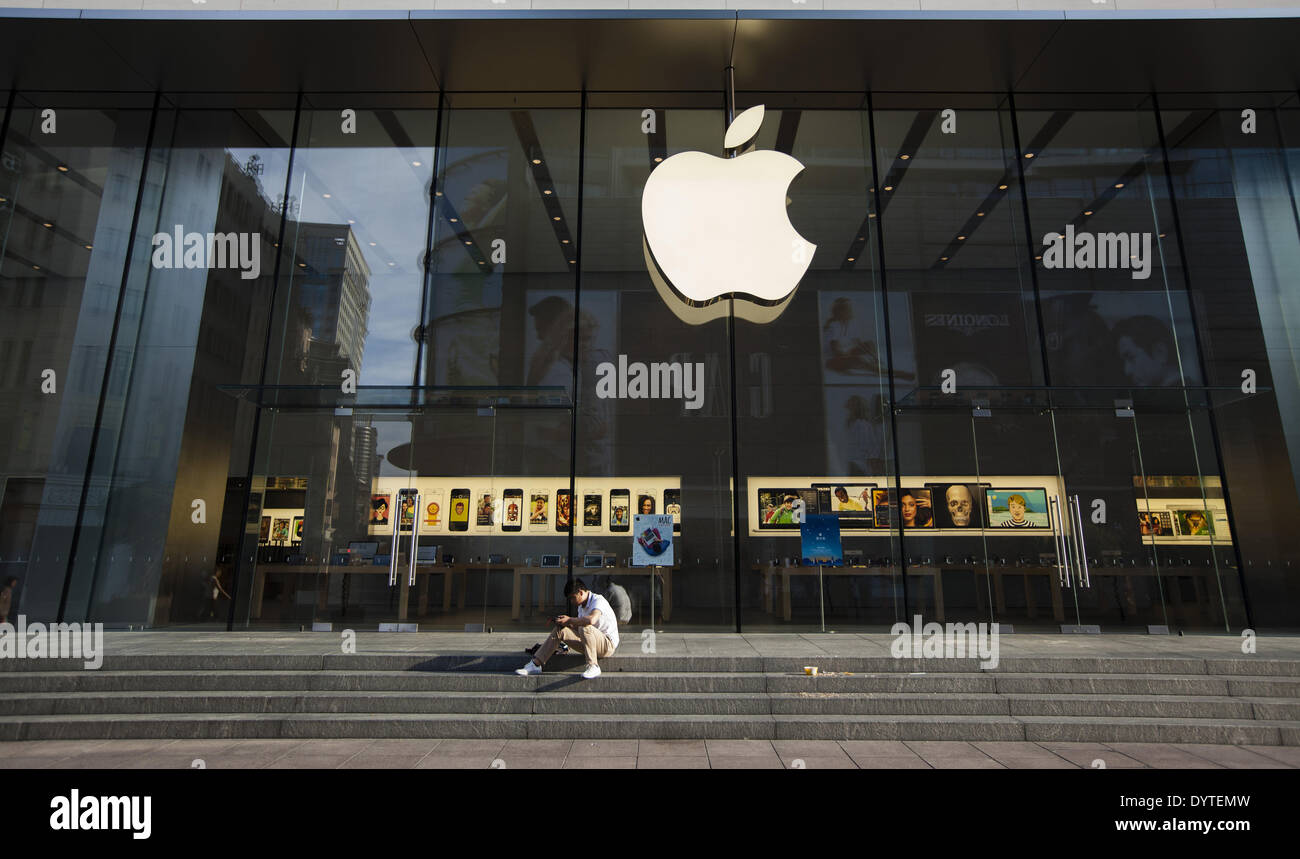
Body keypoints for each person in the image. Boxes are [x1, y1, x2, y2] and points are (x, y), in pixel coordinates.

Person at [516, 579, 619, 680]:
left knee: (585, 626)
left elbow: (591, 620)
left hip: (607, 645)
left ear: (580, 592)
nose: (572, 601)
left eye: (572, 598)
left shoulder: (598, 600)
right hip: (591, 644)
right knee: (560, 629)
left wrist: (570, 620)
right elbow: (580, 629)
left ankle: (593, 666)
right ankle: (535, 664)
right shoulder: (581, 607)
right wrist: (566, 624)